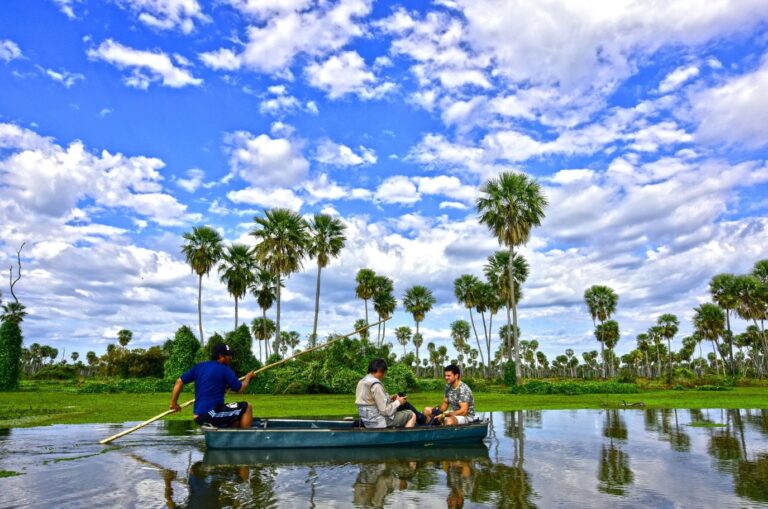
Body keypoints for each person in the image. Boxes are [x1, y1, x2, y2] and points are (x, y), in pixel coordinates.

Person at [169, 343, 255, 428]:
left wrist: (173, 403)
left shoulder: (199, 367)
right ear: (221, 356)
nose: (231, 358)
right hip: (211, 413)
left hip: (198, 415)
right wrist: (248, 377)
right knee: (247, 407)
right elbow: (240, 389)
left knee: (235, 420)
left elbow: (179, 382)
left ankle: (228, 438)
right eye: (229, 355)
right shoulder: (225, 369)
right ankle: (247, 439)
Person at [355, 358, 416, 428]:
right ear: (379, 370)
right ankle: (403, 438)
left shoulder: (362, 382)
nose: (384, 375)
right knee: (411, 414)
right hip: (378, 422)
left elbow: (371, 401)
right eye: (384, 372)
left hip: (367, 421)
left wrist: (390, 398)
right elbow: (385, 411)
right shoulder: (376, 385)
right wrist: (398, 402)